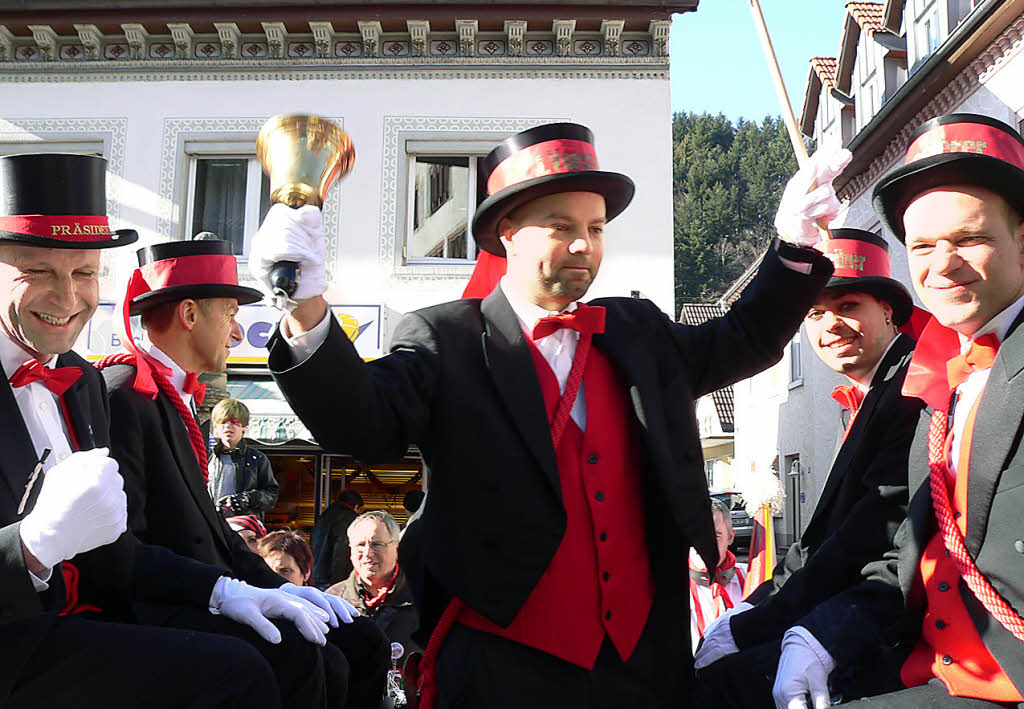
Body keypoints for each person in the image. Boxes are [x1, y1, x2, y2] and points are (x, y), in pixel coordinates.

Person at [250, 121, 840, 709]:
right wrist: (306, 309)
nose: (585, 244)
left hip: (646, 662)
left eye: (596, 228)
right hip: (501, 665)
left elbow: (746, 337)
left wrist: (793, 246)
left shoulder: (639, 332)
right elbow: (363, 423)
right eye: (562, 227)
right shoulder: (446, 338)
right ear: (507, 232)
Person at [0, 152, 309, 708]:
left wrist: (223, 590)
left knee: (295, 652)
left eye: (85, 273)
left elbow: (117, 550)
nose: (69, 298)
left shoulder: (79, 380)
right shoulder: (116, 384)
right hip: (13, 647)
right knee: (236, 673)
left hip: (91, 628)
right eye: (38, 271)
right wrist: (26, 549)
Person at [772, 113, 1024, 709]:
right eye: (922, 246)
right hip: (924, 671)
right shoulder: (945, 384)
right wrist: (819, 636)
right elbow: (911, 557)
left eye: (968, 239)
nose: (942, 264)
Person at [99, 238, 389, 708]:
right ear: (190, 315)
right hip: (161, 603)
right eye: (230, 313)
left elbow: (212, 532)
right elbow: (123, 546)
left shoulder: (172, 398)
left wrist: (287, 589)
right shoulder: (124, 394)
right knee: (303, 655)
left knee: (361, 641)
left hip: (204, 591)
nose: (236, 334)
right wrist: (225, 591)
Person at [693, 229, 927, 705]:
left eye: (848, 307)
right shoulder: (876, 392)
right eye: (816, 313)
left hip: (885, 625)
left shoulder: (911, 392)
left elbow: (868, 537)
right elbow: (811, 547)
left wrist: (756, 625)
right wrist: (748, 610)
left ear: (888, 310)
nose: (830, 325)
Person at [327, 510, 423, 656]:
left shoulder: (422, 598)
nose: (367, 554)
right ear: (350, 551)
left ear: (397, 548)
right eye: (360, 545)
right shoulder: (332, 600)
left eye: (376, 544)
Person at [688, 497, 747, 654]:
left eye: (716, 536)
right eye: (697, 535)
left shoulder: (751, 578)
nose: (704, 545)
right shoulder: (672, 588)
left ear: (730, 537)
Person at [208, 398, 279, 520]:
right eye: (223, 422)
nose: (228, 426)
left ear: (244, 426)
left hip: (244, 527)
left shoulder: (257, 459)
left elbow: (271, 495)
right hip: (213, 524)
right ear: (216, 426)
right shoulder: (207, 458)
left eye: (234, 422)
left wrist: (248, 498)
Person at [311, 488, 363, 586]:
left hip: (317, 576)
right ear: (356, 506)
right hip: (331, 580)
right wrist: (338, 582)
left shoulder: (324, 516)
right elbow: (341, 552)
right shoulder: (349, 520)